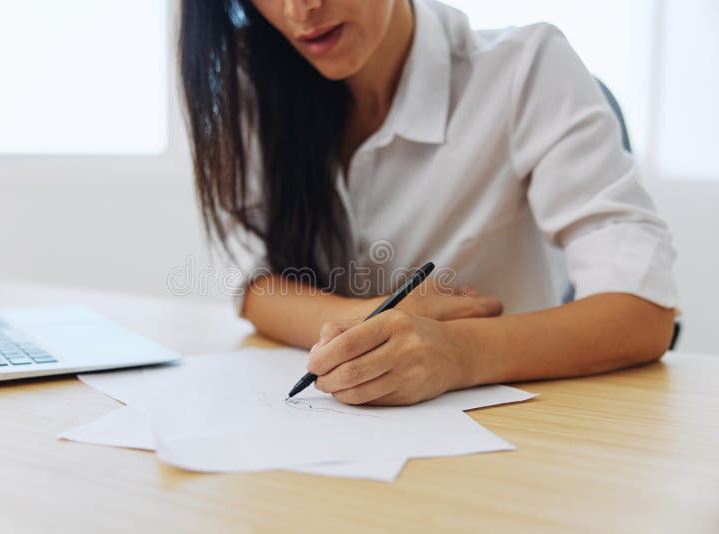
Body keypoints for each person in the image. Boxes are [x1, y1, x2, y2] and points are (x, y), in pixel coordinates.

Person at [178, 0, 677, 405]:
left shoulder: (525, 67)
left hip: (511, 435)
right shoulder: (255, 82)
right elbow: (253, 282)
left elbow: (643, 313)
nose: (300, 8)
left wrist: (458, 353)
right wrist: (376, 324)